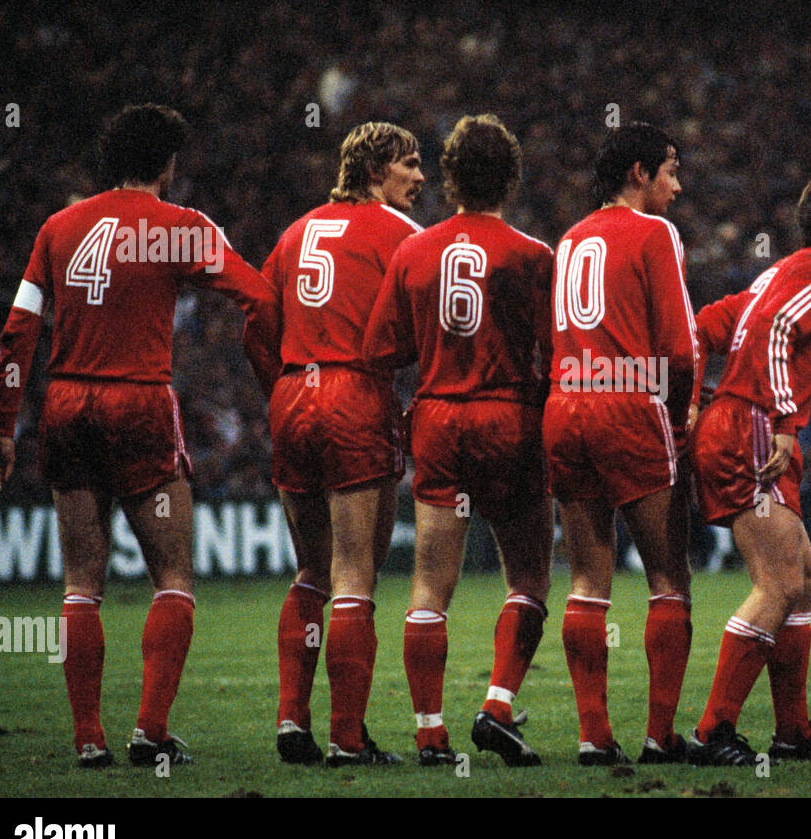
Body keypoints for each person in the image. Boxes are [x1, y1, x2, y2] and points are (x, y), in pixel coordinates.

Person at [0, 103, 279, 768]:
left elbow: (18, 330)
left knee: (81, 583)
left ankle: (89, 739)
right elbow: (258, 296)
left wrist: (2, 425)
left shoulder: (57, 228)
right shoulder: (180, 228)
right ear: (168, 164)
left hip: (67, 404)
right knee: (172, 575)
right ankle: (150, 730)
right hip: (140, 403)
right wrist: (274, 381)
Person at [362, 114, 553, 767]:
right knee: (527, 577)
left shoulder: (412, 251)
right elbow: (557, 357)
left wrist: (438, 338)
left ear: (448, 178)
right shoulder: (533, 255)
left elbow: (381, 349)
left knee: (428, 585)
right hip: (509, 417)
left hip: (439, 417)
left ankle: (428, 733)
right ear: (513, 179)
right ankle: (497, 705)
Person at [686, 169, 811, 765]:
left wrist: (693, 399)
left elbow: (705, 326)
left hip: (738, 420)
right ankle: (713, 730)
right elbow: (774, 329)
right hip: (751, 426)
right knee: (780, 584)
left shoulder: (780, 270)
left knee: (805, 578)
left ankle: (792, 731)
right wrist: (789, 425)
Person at [262, 121, 424, 767]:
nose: (420, 177)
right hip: (355, 395)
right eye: (410, 164)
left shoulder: (295, 231)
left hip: (292, 391)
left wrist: (279, 384)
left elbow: (261, 317)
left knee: (312, 572)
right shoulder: (400, 234)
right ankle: (348, 737)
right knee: (356, 575)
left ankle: (290, 721)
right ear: (376, 168)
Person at [543, 122, 698, 765]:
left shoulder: (570, 236)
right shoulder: (654, 232)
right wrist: (680, 406)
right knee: (668, 578)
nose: (678, 185)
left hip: (565, 402)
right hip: (628, 403)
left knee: (587, 578)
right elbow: (680, 348)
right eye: (670, 170)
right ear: (639, 172)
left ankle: (592, 735)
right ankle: (660, 737)